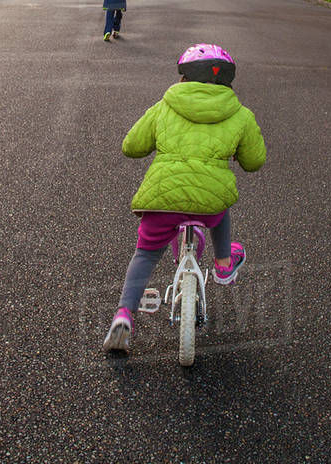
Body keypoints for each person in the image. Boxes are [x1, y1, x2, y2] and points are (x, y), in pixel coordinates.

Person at [103, 43, 267, 354]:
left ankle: (124, 314)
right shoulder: (241, 115)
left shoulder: (164, 106)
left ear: (184, 78)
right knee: (219, 205)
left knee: (145, 255)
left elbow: (131, 146)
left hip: (162, 201)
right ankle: (223, 264)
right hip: (210, 206)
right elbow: (254, 161)